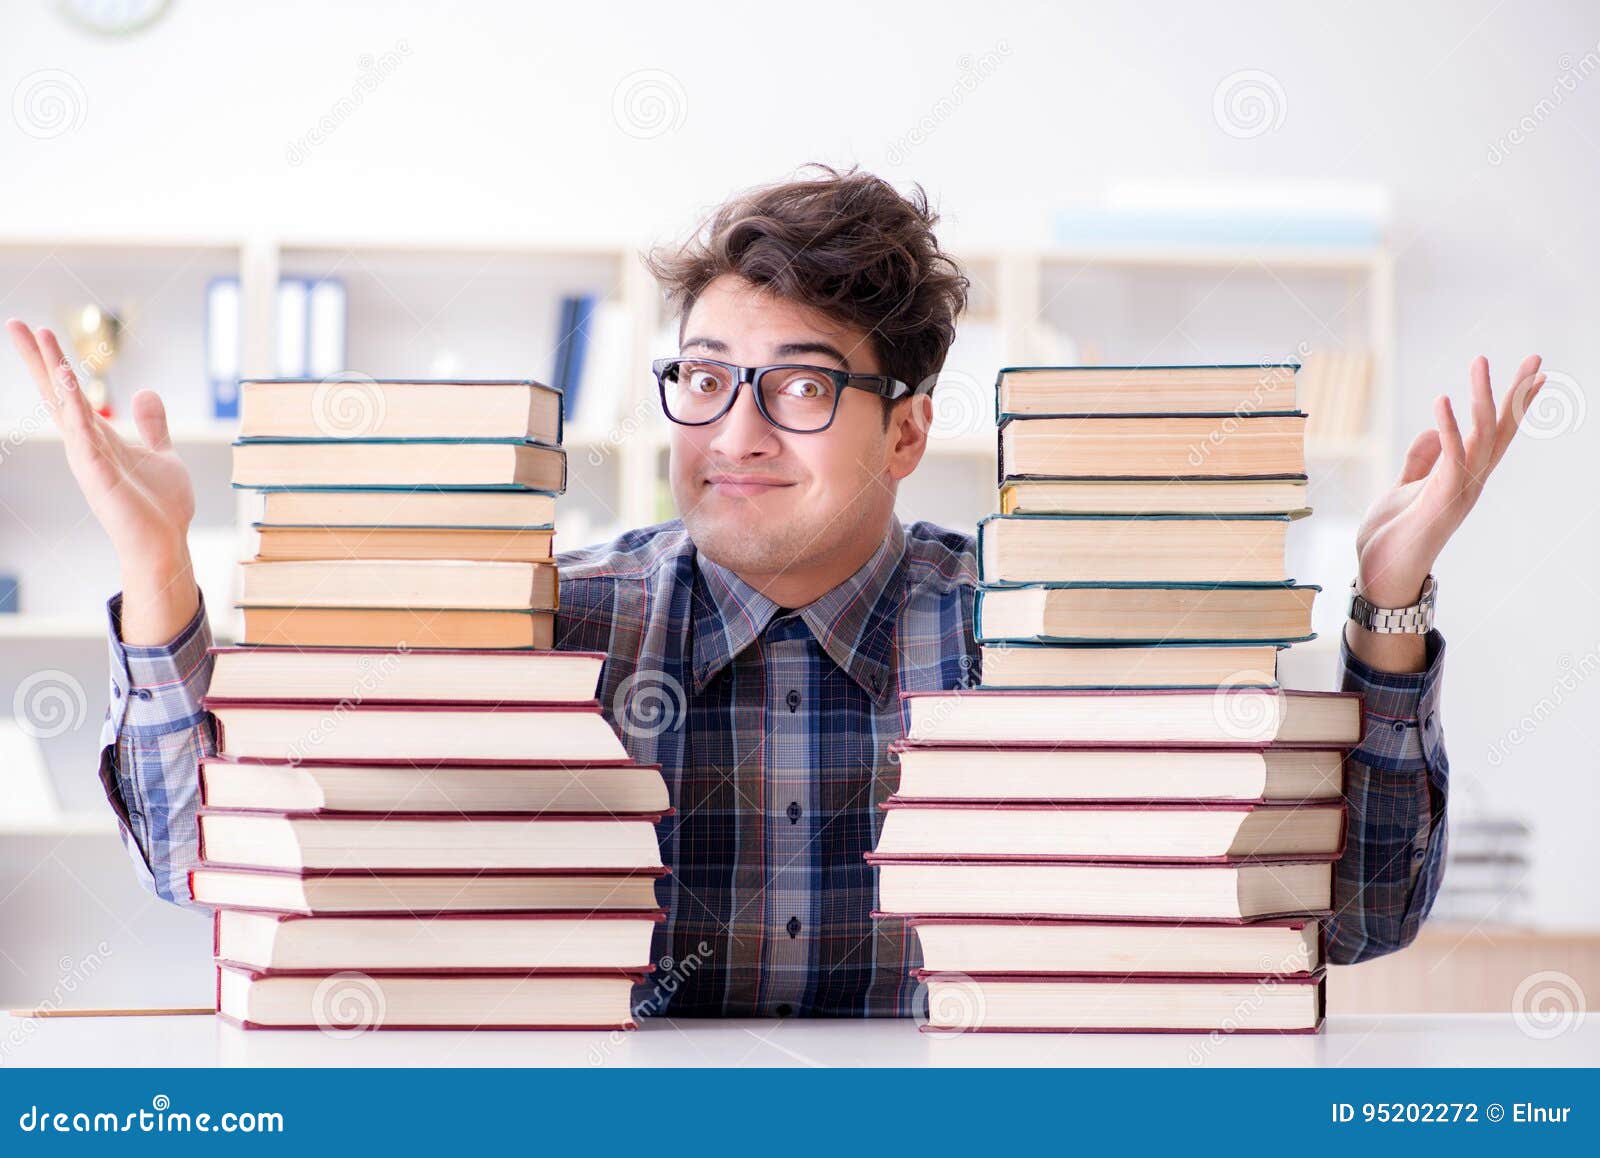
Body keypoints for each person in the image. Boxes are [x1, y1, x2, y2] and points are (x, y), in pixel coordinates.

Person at [5, 164, 1548, 1017]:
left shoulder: (1042, 637)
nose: (734, 432)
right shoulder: (555, 628)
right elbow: (220, 874)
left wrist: (1387, 608)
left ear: (910, 428)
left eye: (801, 388)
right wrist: (157, 580)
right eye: (704, 379)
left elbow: (1347, 914)